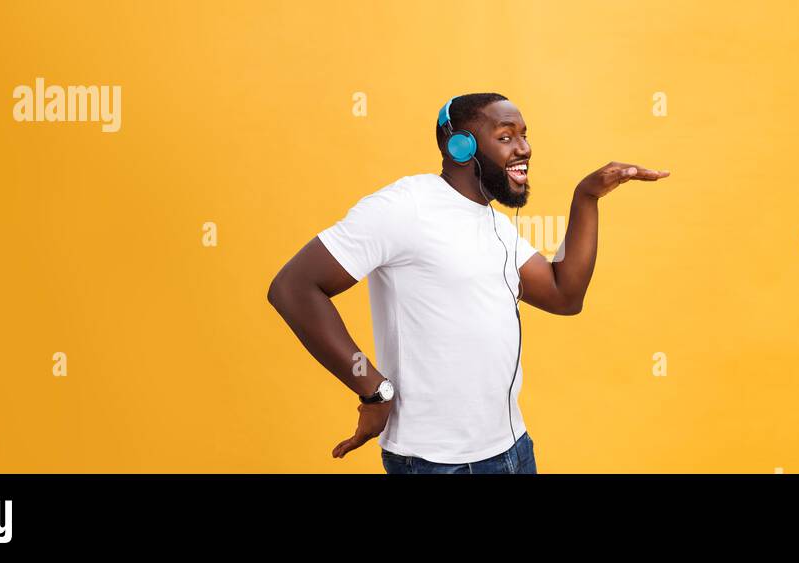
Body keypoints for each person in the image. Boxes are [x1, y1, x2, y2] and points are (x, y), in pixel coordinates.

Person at [267, 93, 670, 473]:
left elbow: (564, 294)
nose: (524, 148)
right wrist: (374, 390)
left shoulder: (494, 224)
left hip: (512, 450)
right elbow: (294, 288)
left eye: (524, 136)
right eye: (505, 136)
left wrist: (586, 197)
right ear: (460, 147)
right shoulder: (404, 206)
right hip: (436, 462)